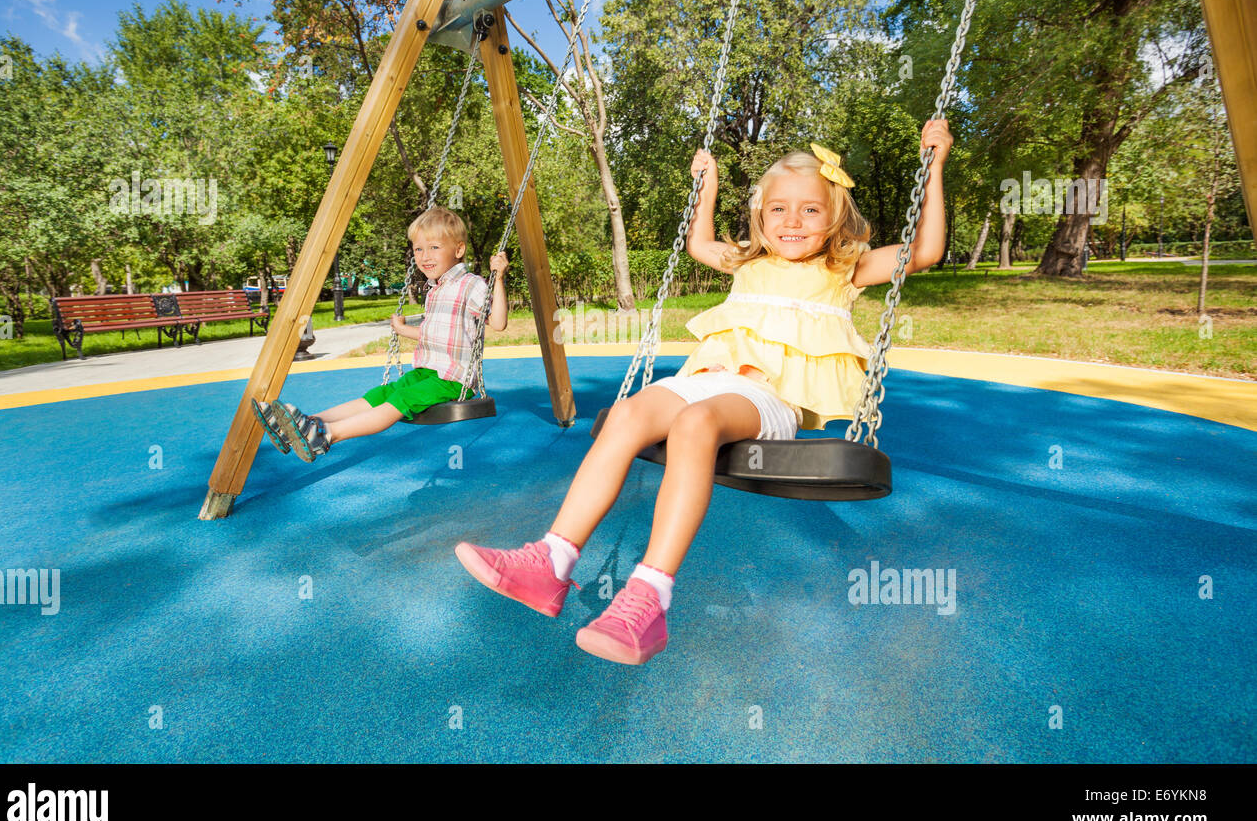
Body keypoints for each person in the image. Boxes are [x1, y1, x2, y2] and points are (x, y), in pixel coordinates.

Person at [454, 121, 953, 665]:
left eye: (810, 209)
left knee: (695, 425)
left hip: (766, 399)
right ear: (761, 215)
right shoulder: (747, 260)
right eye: (778, 208)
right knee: (624, 415)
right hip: (706, 378)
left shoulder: (843, 268)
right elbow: (698, 243)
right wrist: (707, 184)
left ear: (834, 216)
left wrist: (935, 166)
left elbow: (924, 250)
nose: (792, 221)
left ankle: (648, 597)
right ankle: (550, 562)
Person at [252, 206, 509, 461]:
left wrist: (497, 278)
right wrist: (402, 330)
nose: (424, 256)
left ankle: (326, 434)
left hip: (452, 380)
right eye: (419, 249)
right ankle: (303, 424)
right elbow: (436, 334)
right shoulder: (435, 290)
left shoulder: (471, 284)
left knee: (399, 400)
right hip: (426, 373)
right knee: (379, 395)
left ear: (459, 250)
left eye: (434, 247)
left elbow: (497, 323)